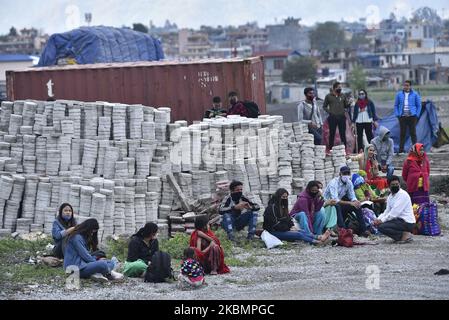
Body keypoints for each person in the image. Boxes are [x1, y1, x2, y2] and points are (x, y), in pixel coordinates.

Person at [263, 188, 330, 245]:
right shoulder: (271, 208)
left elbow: (288, 219)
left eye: (286, 197)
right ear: (278, 197)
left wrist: (292, 226)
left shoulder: (282, 207)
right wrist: (288, 228)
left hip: (282, 229)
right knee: (298, 234)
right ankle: (316, 242)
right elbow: (274, 224)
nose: (285, 199)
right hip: (273, 232)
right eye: (283, 197)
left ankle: (319, 237)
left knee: (302, 231)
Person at [323, 166, 371, 237]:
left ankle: (363, 230)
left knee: (357, 206)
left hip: (340, 201)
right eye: (344, 173)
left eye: (348, 173)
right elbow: (335, 199)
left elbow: (352, 196)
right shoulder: (334, 183)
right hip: (328, 203)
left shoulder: (349, 183)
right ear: (340, 174)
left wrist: (355, 201)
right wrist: (350, 203)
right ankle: (343, 230)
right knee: (338, 206)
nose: (346, 175)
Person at [373, 176, 415, 243]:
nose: (395, 186)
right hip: (398, 221)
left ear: (399, 184)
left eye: (397, 184)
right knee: (380, 226)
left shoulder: (403, 195)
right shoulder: (390, 196)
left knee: (382, 227)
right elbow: (387, 211)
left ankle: (404, 236)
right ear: (389, 186)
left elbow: (394, 213)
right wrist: (378, 219)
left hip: (406, 222)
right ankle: (401, 236)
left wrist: (382, 221)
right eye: (393, 185)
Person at [394, 80, 422, 154]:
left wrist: (417, 114)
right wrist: (397, 114)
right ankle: (401, 150)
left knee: (413, 133)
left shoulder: (415, 94)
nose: (406, 87)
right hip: (402, 116)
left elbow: (419, 105)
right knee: (402, 133)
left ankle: (415, 150)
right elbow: (396, 105)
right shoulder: (399, 94)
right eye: (404, 85)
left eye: (407, 85)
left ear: (410, 86)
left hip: (412, 116)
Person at [323, 82, 350, 150]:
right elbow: (324, 106)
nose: (340, 89)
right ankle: (330, 149)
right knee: (332, 133)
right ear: (334, 88)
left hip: (342, 117)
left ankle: (345, 148)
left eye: (341, 87)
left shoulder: (343, 95)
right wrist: (330, 112)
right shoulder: (328, 96)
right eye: (339, 87)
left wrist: (349, 103)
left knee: (342, 134)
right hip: (332, 117)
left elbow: (346, 105)